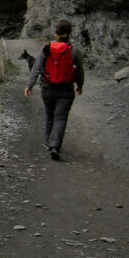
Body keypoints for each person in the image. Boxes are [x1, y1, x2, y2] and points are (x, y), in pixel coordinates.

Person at [24, 20, 84, 160]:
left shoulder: (47, 48)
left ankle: (48, 142)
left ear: (55, 33)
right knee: (61, 117)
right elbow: (79, 71)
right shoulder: (73, 50)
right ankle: (55, 146)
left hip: (47, 88)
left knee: (50, 115)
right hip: (66, 89)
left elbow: (37, 68)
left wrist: (29, 85)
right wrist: (79, 86)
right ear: (69, 33)